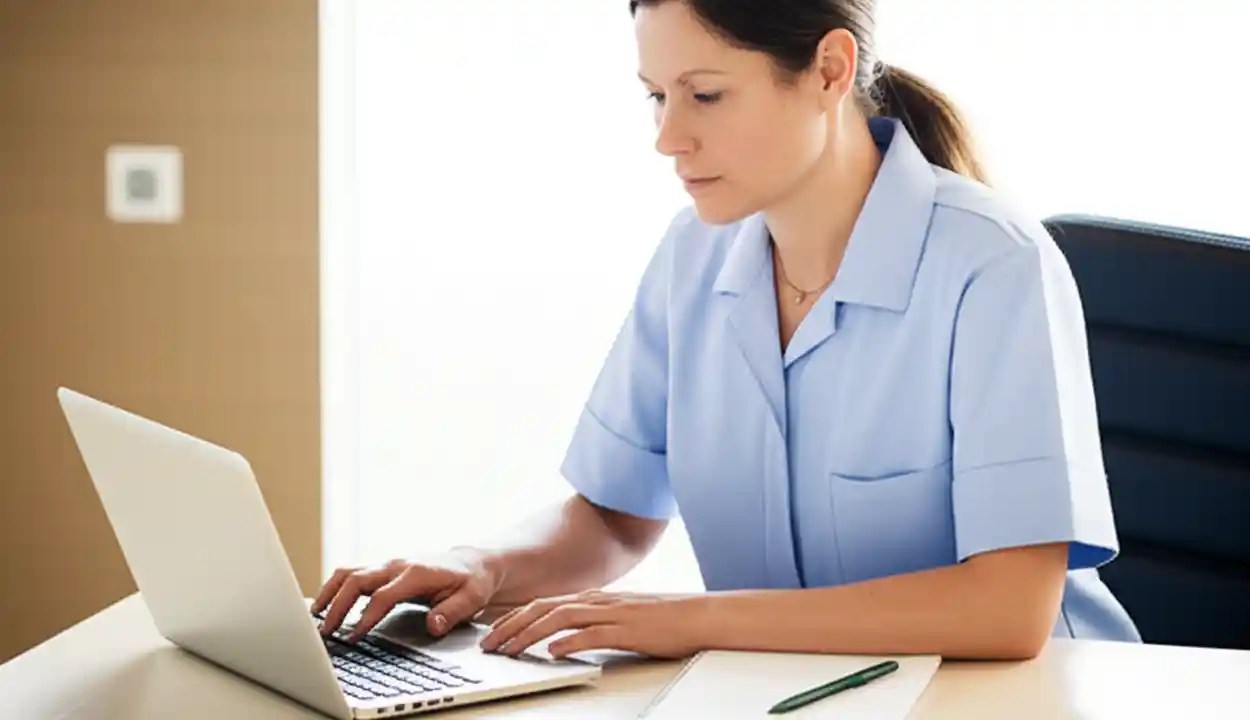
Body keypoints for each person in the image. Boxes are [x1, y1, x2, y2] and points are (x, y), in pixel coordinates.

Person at [312, 0, 1142, 661]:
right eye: (657, 95)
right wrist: (483, 568)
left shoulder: (991, 264)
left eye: (704, 94)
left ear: (828, 69)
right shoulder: (693, 257)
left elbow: (1007, 611)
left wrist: (693, 619)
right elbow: (612, 515)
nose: (668, 137)